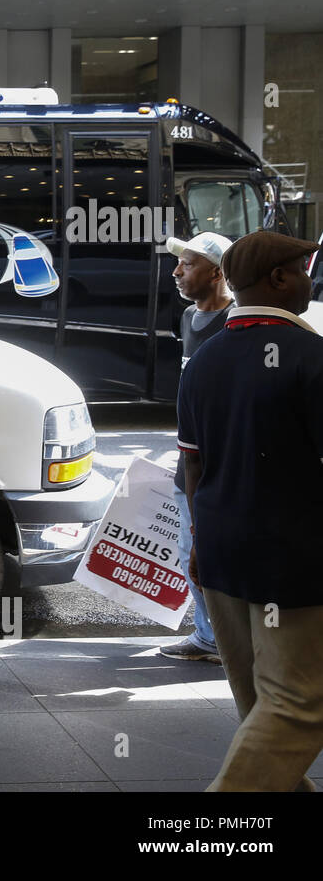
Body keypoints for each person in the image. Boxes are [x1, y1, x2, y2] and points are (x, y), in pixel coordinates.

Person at [177, 230, 323, 792]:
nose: (311, 279)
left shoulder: (204, 359)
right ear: (280, 279)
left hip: (221, 554)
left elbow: (194, 466)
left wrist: (198, 542)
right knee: (296, 707)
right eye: (303, 269)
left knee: (261, 705)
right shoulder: (313, 358)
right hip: (293, 563)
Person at [159, 232, 233, 664]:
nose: (176, 272)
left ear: (217, 272)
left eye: (186, 264)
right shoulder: (188, 318)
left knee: (215, 553)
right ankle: (209, 637)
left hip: (221, 465)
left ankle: (229, 641)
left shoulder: (236, 321)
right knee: (191, 551)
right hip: (190, 460)